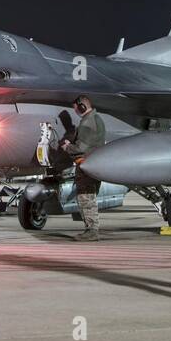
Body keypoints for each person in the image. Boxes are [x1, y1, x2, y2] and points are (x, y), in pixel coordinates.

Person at [62, 95, 106, 241]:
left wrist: (68, 147)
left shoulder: (87, 122)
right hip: (96, 164)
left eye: (76, 108)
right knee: (90, 197)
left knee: (86, 198)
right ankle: (91, 229)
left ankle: (92, 231)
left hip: (86, 165)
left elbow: (81, 148)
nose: (75, 111)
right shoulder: (97, 119)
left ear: (81, 106)